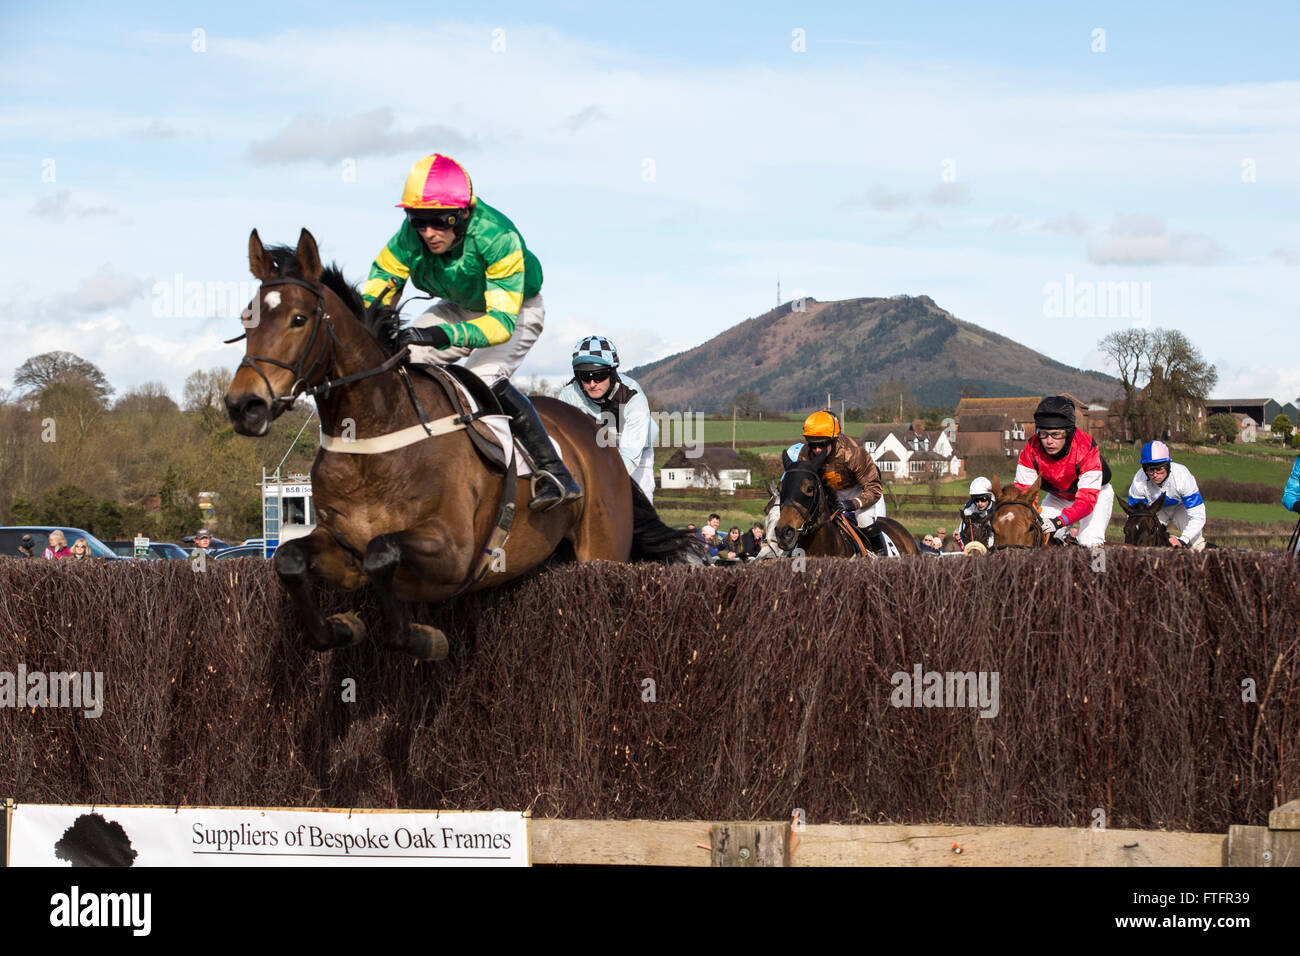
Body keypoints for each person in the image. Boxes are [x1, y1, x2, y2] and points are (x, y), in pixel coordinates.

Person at [362, 153, 581, 512]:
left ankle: (554, 472)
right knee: (399, 357)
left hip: (515, 310)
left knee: (481, 376)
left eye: (439, 221)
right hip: (458, 304)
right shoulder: (409, 237)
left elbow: (499, 325)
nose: (428, 233)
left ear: (462, 214)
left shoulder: (498, 236)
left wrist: (440, 336)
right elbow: (378, 288)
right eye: (418, 221)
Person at [556, 335, 658, 500]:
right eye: (585, 376)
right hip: (597, 450)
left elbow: (629, 456)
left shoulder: (633, 397)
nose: (592, 383)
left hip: (636, 453)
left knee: (637, 504)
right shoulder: (568, 395)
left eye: (599, 375)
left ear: (612, 372)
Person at [1014, 395, 1114, 547]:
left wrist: (1060, 521)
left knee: (1089, 540)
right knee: (1037, 535)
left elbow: (1086, 501)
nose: (1049, 441)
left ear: (1069, 432)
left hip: (1095, 495)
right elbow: (1025, 494)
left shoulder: (1085, 448)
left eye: (1056, 434)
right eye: (1043, 433)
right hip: (1059, 496)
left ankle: (1099, 570)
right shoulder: (1031, 448)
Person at [795, 411, 885, 530]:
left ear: (834, 440)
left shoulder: (853, 453)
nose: (817, 450)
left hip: (860, 491)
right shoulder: (805, 454)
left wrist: (852, 504)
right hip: (830, 494)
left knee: (865, 522)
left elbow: (874, 489)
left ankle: (880, 548)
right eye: (812, 444)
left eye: (822, 444)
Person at [1126, 440, 1207, 550]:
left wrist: (1183, 539)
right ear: (1144, 469)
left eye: (1159, 469)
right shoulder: (1138, 482)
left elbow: (1198, 516)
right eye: (1150, 470)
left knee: (1196, 544)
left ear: (1167, 466)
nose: (1155, 475)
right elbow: (1134, 517)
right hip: (1155, 510)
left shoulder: (1183, 477)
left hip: (1180, 507)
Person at [954, 476, 995, 550]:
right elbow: (961, 532)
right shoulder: (968, 509)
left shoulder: (996, 508)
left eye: (983, 499)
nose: (979, 503)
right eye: (976, 500)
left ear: (989, 497)